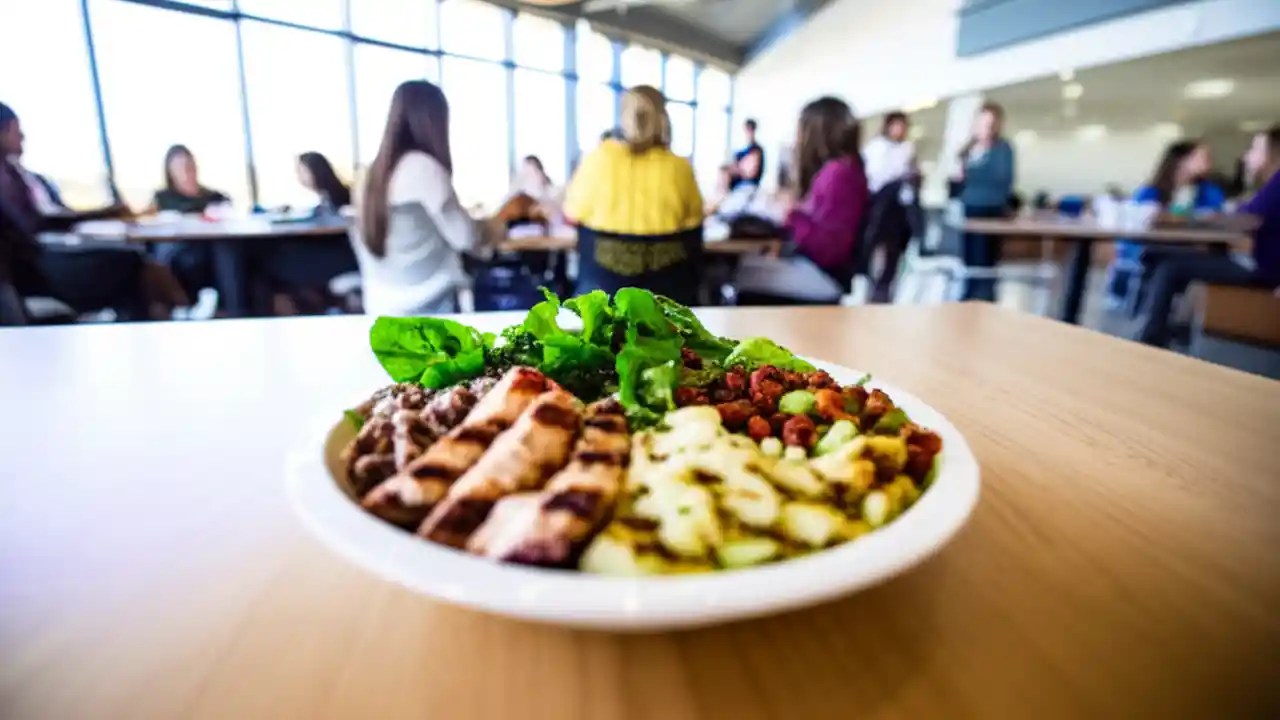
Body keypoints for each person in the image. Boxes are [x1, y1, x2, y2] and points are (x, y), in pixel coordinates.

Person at [0, 101, 188, 322]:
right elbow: (35, 225)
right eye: (15, 129)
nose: (22, 136)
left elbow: (51, 216)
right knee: (131, 263)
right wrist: (104, 214)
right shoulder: (4, 176)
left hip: (48, 254)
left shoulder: (21, 174)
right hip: (38, 265)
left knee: (135, 261)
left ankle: (167, 317)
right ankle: (174, 314)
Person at [353, 80, 499, 316]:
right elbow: (465, 239)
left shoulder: (370, 175)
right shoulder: (425, 168)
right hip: (430, 305)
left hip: (380, 305)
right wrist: (488, 227)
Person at [1133, 126, 1280, 347]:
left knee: (1170, 266)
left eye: (1255, 148)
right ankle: (1161, 330)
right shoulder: (1271, 185)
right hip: (1257, 263)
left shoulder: (1277, 182)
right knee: (1166, 261)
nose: (1247, 155)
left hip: (1263, 269)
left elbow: (1246, 219)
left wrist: (1202, 219)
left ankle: (1152, 336)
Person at [563, 85, 704, 303]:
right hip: (668, 305)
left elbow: (572, 214)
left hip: (602, 301)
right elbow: (694, 223)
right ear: (663, 118)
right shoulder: (679, 168)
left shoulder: (598, 160)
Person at [735, 96, 869, 304]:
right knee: (748, 268)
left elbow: (828, 250)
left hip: (824, 275)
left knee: (742, 273)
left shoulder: (837, 173)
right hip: (825, 271)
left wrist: (791, 215)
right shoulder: (846, 169)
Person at [1105, 140, 1223, 306]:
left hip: (1189, 249)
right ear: (1182, 160)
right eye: (1202, 156)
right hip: (1149, 248)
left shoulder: (1209, 191)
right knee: (1158, 259)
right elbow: (1139, 219)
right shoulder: (1151, 191)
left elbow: (1216, 216)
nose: (1209, 160)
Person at [150, 144, 230, 300]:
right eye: (180, 167)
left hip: (212, 245)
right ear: (170, 172)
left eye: (189, 165)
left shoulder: (215, 197)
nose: (186, 171)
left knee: (228, 254)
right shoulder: (162, 199)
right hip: (179, 247)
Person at [956, 101, 1015, 301]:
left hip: (991, 210)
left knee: (986, 259)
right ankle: (968, 295)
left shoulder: (1002, 149)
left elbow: (1003, 178)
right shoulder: (968, 149)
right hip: (969, 210)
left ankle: (983, 298)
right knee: (970, 258)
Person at [861, 111, 918, 302]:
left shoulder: (907, 149)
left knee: (894, 248)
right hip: (880, 201)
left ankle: (885, 286)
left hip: (898, 206)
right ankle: (869, 282)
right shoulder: (876, 147)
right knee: (874, 244)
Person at [296, 151, 351, 215]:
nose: (299, 177)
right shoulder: (322, 198)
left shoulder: (341, 200)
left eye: (303, 171)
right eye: (298, 172)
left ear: (317, 171)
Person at [729, 118, 764, 190]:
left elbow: (751, 172)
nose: (749, 132)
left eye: (751, 129)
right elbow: (732, 170)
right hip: (737, 188)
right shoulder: (739, 152)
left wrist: (739, 168)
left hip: (749, 187)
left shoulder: (757, 150)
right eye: (748, 129)